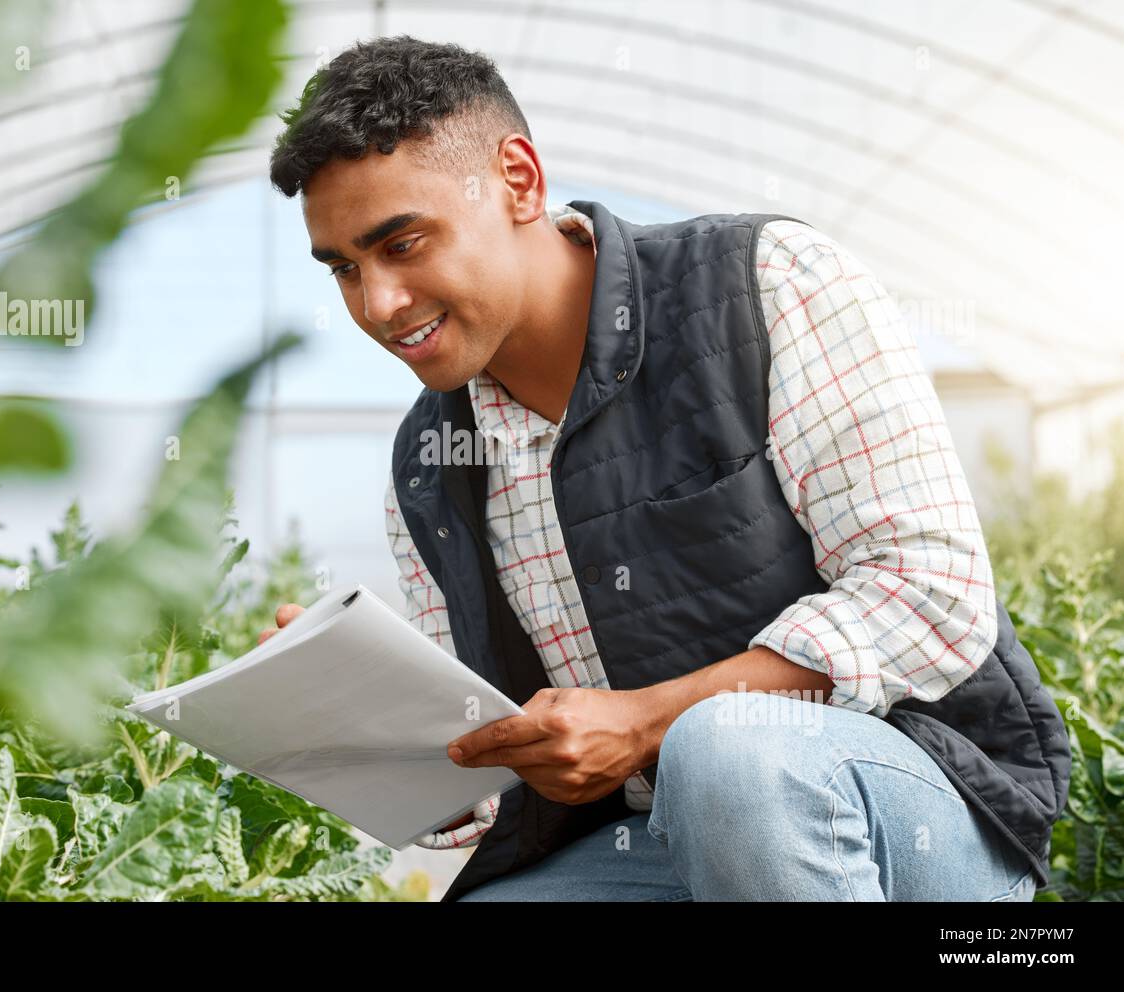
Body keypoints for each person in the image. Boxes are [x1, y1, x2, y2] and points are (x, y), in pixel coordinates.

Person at [258, 34, 1069, 901]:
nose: (377, 304)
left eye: (404, 244)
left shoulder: (763, 285)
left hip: (914, 811)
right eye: (344, 270)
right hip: (654, 846)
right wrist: (362, 720)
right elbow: (478, 800)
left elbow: (929, 592)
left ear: (518, 181)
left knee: (728, 754)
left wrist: (648, 724)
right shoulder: (431, 463)